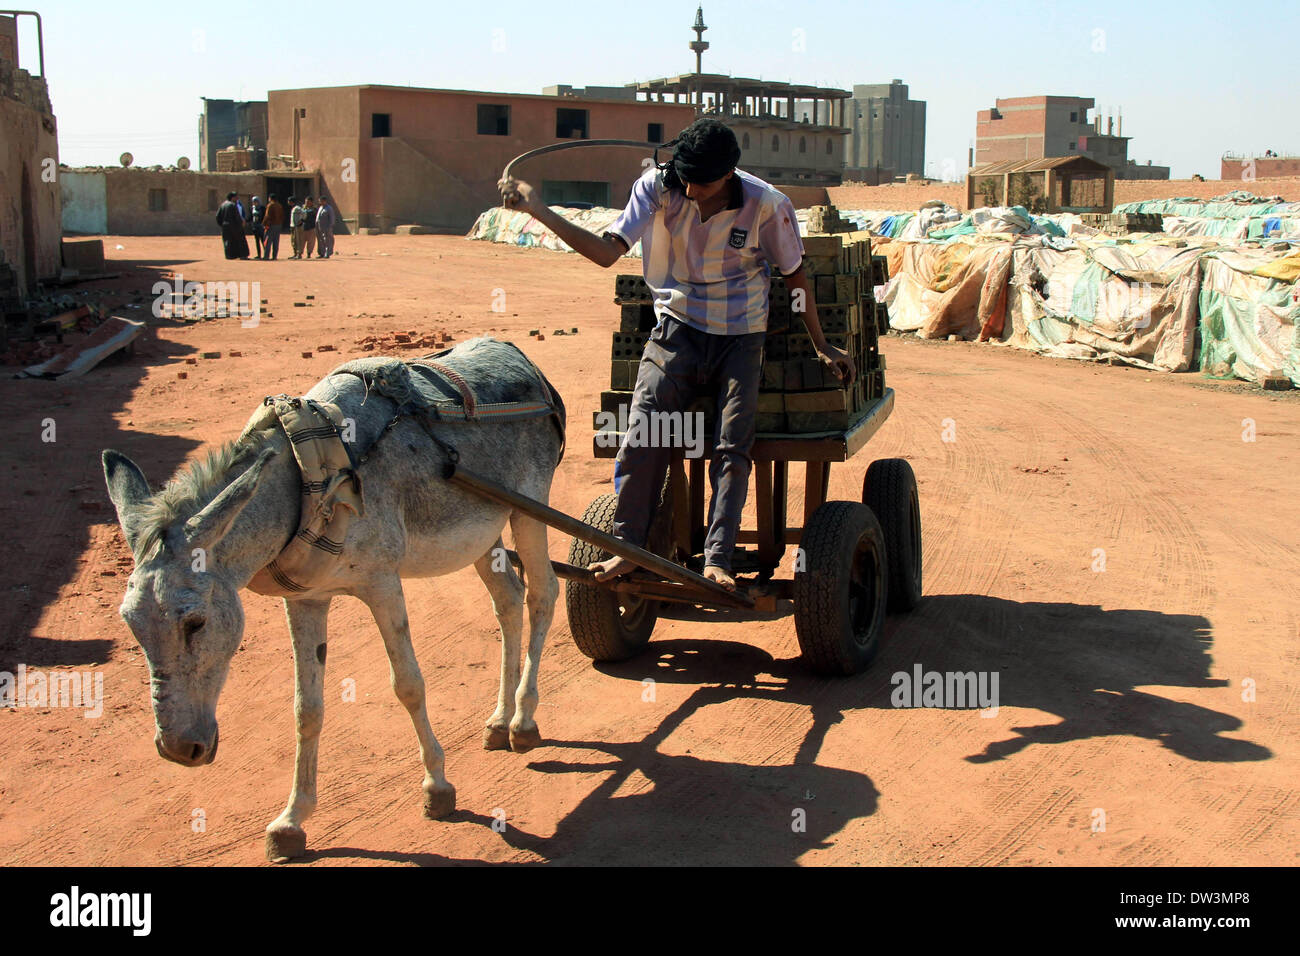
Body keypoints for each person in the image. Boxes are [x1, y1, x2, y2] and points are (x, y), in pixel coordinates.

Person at [499, 118, 853, 591]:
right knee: (643, 432)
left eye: (701, 181)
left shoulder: (768, 206)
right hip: (676, 328)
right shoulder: (658, 188)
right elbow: (607, 253)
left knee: (733, 445)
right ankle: (626, 549)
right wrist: (537, 210)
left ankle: (718, 560)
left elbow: (794, 278)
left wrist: (821, 342)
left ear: (730, 174)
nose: (690, 188)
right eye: (683, 176)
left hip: (742, 334)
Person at [215, 191, 250, 260]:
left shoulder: (222, 205)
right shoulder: (232, 205)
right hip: (234, 226)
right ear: (233, 198)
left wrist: (222, 224)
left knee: (227, 241)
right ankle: (242, 255)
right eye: (236, 197)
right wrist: (241, 224)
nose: (237, 199)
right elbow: (237, 217)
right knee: (240, 240)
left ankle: (229, 255)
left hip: (225, 226)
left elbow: (217, 216)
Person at [262, 194, 285, 260]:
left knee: (268, 241)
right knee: (276, 241)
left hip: (271, 225)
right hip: (278, 225)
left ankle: (266, 256)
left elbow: (267, 216)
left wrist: (264, 224)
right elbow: (282, 215)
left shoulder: (270, 205)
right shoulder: (279, 205)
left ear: (270, 198)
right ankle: (274, 256)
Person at [248, 195, 265, 259]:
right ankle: (259, 254)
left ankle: (266, 254)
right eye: (253, 201)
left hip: (261, 226)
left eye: (256, 201)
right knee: (257, 241)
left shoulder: (262, 208)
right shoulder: (252, 208)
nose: (254, 202)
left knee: (263, 240)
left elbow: (264, 216)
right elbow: (250, 217)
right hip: (255, 226)